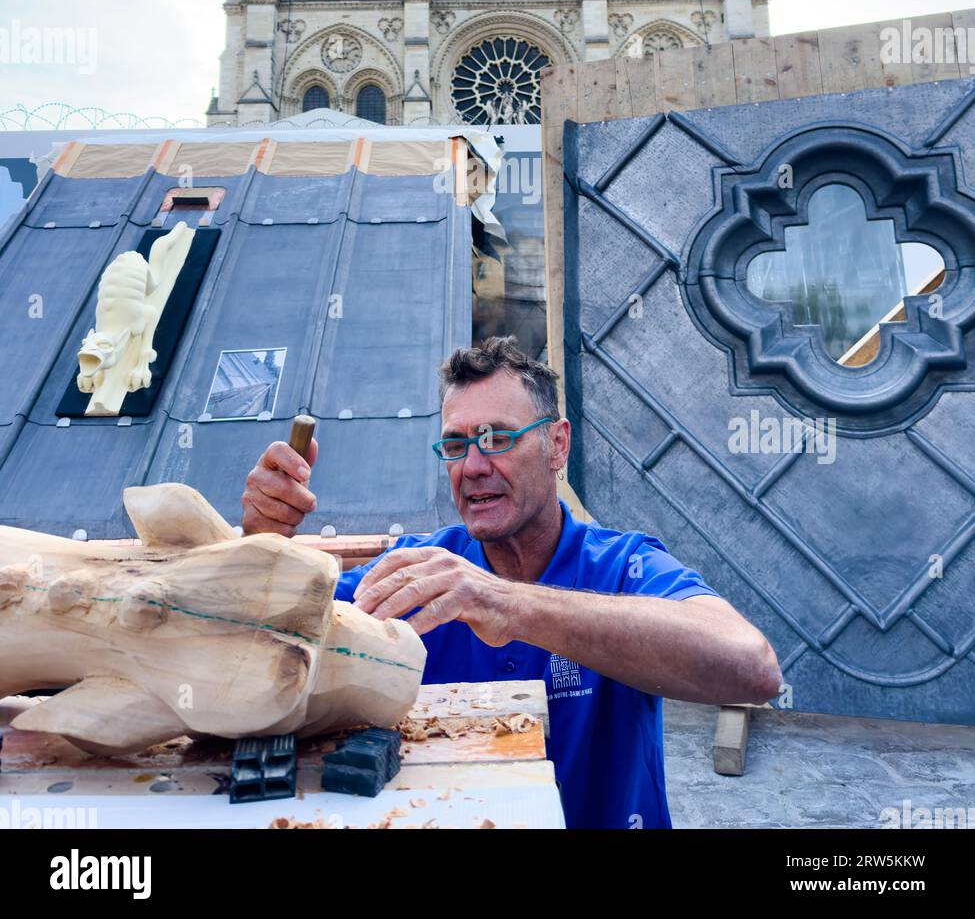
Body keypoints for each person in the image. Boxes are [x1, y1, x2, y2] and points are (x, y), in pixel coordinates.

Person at [242, 336, 781, 829]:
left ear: (557, 446)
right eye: (455, 445)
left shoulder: (621, 567)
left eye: (498, 438)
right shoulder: (421, 572)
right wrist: (261, 548)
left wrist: (507, 605)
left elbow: (752, 670)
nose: (472, 466)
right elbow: (264, 636)